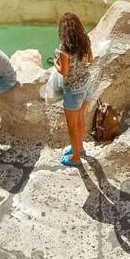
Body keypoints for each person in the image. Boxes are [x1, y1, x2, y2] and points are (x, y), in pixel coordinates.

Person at [54, 12, 94, 167]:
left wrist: (56, 63)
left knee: (72, 125)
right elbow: (90, 60)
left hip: (73, 90)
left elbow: (63, 71)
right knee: (81, 120)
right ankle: (80, 148)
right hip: (87, 84)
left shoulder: (64, 47)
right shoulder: (85, 40)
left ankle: (75, 157)